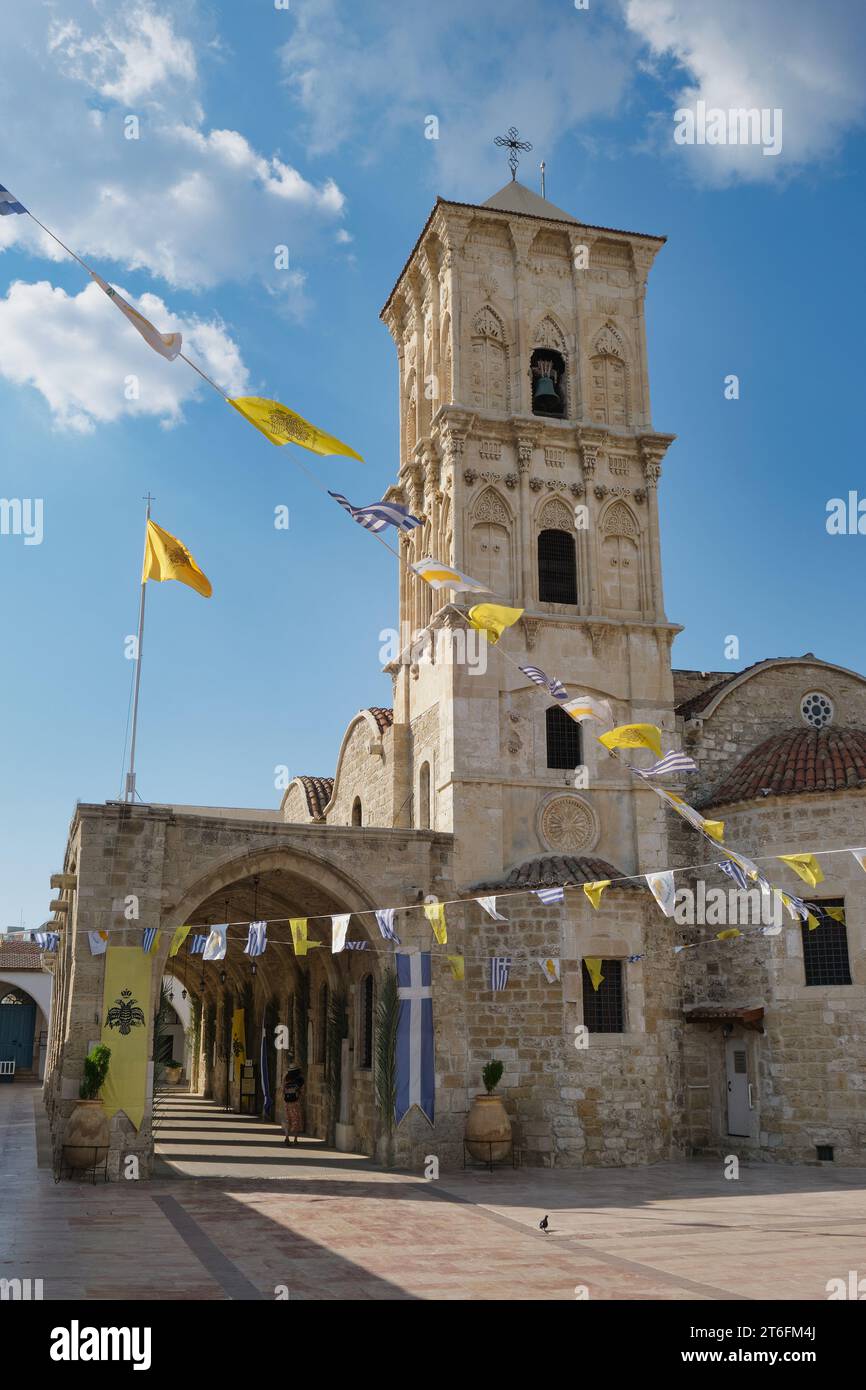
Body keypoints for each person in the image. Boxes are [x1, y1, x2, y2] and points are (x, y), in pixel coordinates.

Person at [282, 1065, 305, 1145]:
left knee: (287, 1119)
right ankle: (295, 1139)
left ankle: (287, 1137)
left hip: (287, 1103)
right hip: (296, 1103)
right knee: (296, 1120)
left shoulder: (286, 1078)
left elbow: (283, 1090)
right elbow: (302, 1092)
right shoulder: (299, 1079)